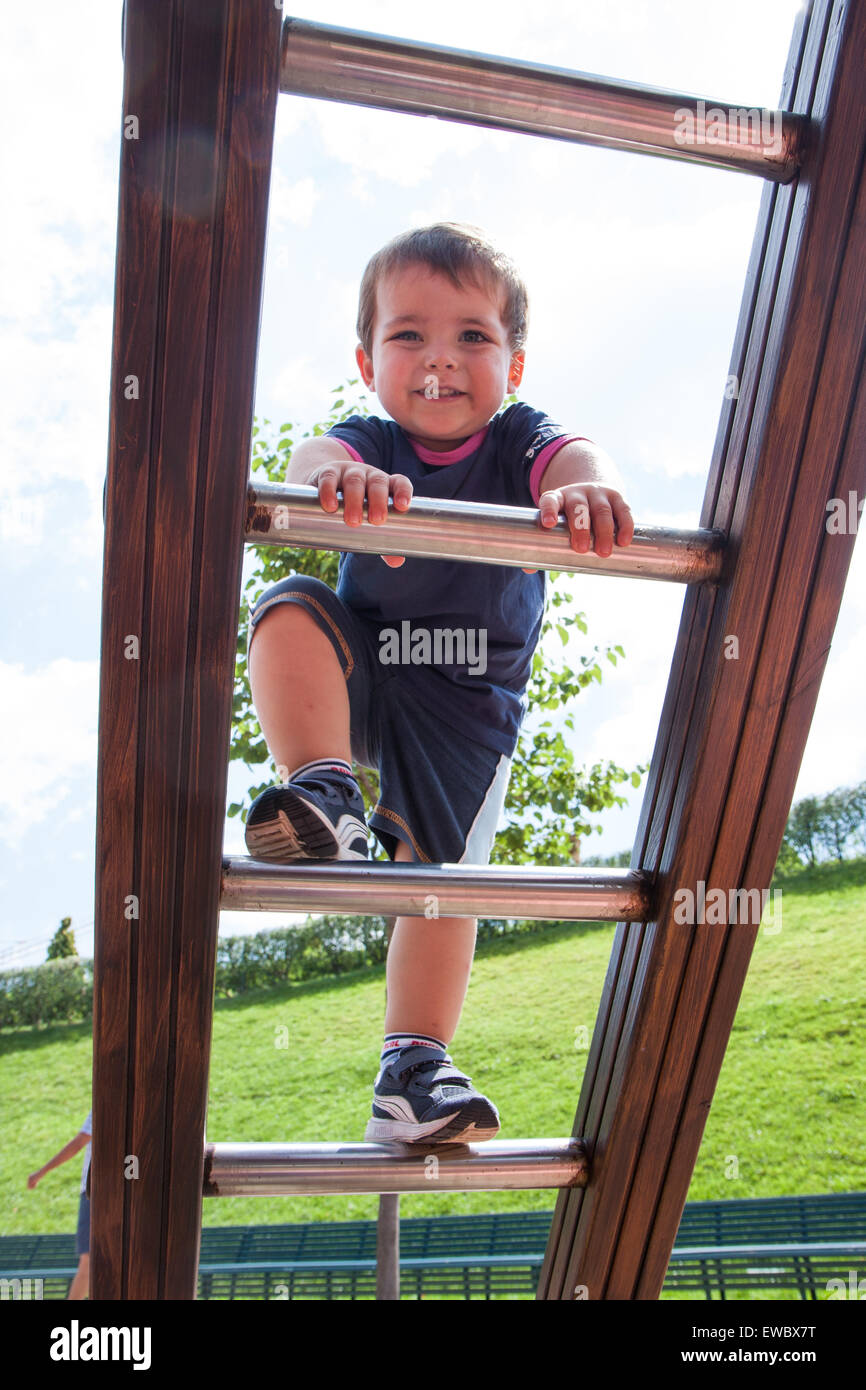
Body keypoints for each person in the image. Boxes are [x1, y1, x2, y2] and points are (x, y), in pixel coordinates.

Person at [244, 223, 633, 1144]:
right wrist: (338, 484)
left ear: (516, 362)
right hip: (366, 674)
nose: (440, 361)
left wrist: (586, 493)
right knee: (289, 606)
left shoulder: (518, 441)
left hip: (466, 703)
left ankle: (412, 1067)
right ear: (366, 358)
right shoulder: (368, 439)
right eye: (408, 334)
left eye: (472, 336)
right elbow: (309, 463)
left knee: (443, 879)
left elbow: (581, 460)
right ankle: (324, 790)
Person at [28, 1110, 92, 1298]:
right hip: (117, 1193)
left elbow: (78, 1143)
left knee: (89, 1261)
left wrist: (41, 1172)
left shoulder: (103, 1103)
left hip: (95, 1193)